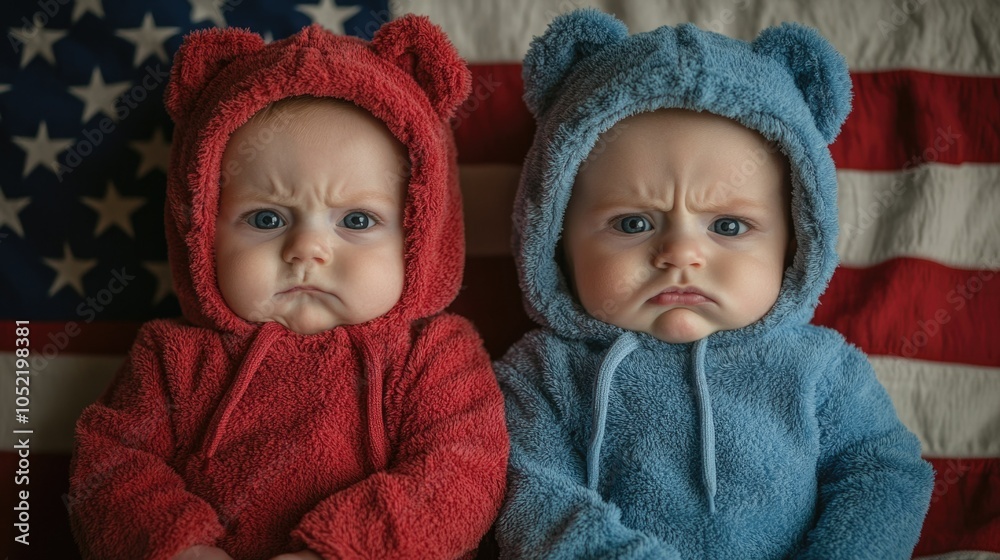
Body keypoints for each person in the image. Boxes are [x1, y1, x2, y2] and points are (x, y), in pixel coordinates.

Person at [494, 9, 933, 559]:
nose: (680, 253)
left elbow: (883, 475)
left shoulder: (820, 368)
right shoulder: (539, 377)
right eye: (632, 223)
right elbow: (535, 501)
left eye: (728, 226)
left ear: (796, 244)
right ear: (555, 240)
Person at [68, 18, 508, 560]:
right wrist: (177, 546)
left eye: (358, 221)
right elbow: (110, 464)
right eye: (267, 219)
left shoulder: (434, 356)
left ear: (421, 234)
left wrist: (347, 548)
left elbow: (461, 473)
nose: (308, 250)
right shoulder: (173, 358)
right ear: (201, 231)